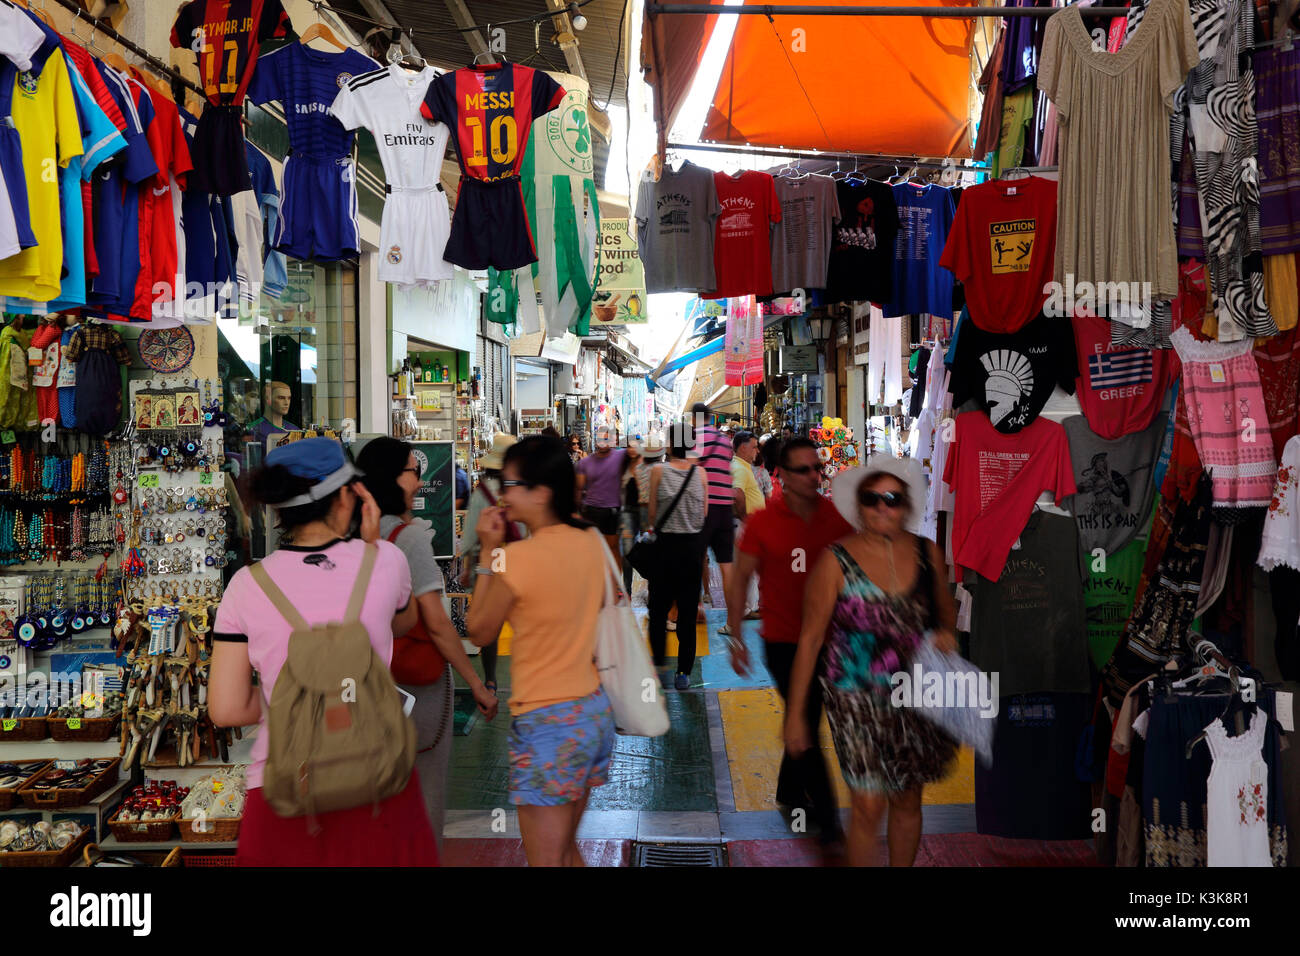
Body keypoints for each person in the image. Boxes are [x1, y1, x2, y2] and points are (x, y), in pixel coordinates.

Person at [209, 438, 438, 866]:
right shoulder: (386, 561)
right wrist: (370, 546)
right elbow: (403, 623)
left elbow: (225, 709)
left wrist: (293, 693)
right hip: (378, 784)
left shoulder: (245, 586)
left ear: (279, 509)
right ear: (347, 496)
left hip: (285, 790)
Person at [783, 456, 959, 867]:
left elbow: (945, 613)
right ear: (858, 506)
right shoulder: (835, 561)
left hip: (915, 694)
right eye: (872, 498)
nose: (883, 507)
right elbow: (809, 641)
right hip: (853, 699)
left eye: (892, 499)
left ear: (906, 505)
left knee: (907, 797)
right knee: (866, 804)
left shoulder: (926, 552)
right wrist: (795, 716)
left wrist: (947, 634)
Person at [466, 435, 616, 866]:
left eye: (511, 484)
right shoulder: (591, 542)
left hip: (548, 723)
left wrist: (489, 551)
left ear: (541, 492)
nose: (503, 493)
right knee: (567, 850)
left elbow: (478, 630)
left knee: (547, 858)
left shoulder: (516, 558)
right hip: (591, 713)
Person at [357, 437, 500, 846]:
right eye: (412, 472)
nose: (420, 483)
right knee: (422, 797)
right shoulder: (408, 537)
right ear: (391, 478)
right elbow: (437, 623)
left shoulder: (350, 534)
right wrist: (477, 684)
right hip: (413, 686)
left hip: (363, 681)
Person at [726, 437, 852, 848]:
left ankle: (789, 790)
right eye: (804, 470)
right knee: (808, 723)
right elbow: (742, 577)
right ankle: (831, 825)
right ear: (781, 473)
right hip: (782, 642)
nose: (815, 476)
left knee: (806, 719)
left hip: (829, 639)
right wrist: (737, 636)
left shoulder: (835, 517)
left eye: (817, 468)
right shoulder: (764, 522)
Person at [458, 433, 523, 695]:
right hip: (516, 559)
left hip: (489, 560)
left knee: (488, 625)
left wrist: (465, 565)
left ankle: (492, 680)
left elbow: (472, 532)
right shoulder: (520, 489)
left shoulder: (482, 491)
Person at [648, 421, 709, 690]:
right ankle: (683, 672)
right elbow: (704, 514)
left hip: (664, 549)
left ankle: (660, 667)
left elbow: (651, 515)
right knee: (686, 611)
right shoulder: (701, 474)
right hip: (692, 551)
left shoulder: (658, 471)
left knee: (658, 610)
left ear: (671, 444)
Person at [690, 402, 735, 623]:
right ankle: (732, 620)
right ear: (710, 417)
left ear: (694, 418)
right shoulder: (724, 440)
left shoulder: (693, 436)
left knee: (695, 560)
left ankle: (698, 608)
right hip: (725, 508)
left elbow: (689, 467)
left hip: (702, 506)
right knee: (726, 564)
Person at [721, 431, 765, 636]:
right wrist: (746, 517)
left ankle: (749, 607)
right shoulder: (739, 467)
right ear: (742, 447)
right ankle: (744, 609)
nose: (757, 450)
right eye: (754, 446)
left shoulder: (742, 467)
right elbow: (737, 494)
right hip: (743, 524)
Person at [575, 424, 627, 559]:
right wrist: (577, 512)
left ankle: (615, 579)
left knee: (613, 547)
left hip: (612, 510)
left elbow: (638, 451)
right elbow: (579, 489)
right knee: (592, 549)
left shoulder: (621, 456)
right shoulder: (585, 463)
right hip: (591, 510)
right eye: (600, 439)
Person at [247, 381, 298, 446]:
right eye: (281, 398)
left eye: (289, 398)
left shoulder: (294, 430)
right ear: (267, 399)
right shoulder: (254, 429)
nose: (286, 403)